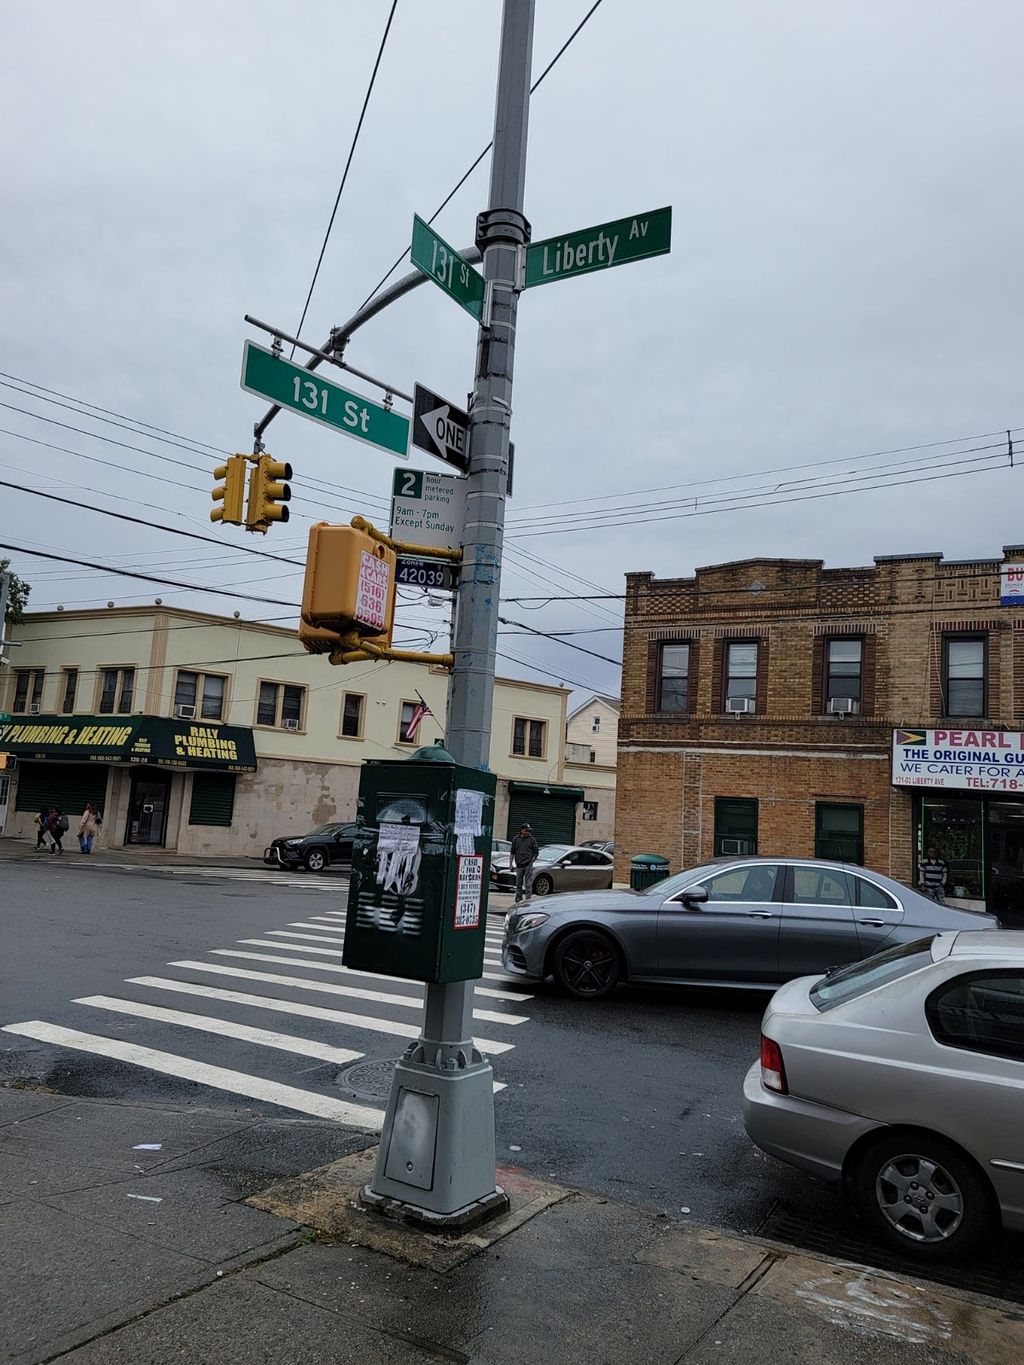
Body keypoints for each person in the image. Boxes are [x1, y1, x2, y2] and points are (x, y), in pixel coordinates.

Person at [510, 823, 539, 905]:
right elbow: (512, 852)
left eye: (528, 831)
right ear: (522, 830)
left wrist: (531, 862)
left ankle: (528, 901)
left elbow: (536, 852)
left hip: (528, 865)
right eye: (526, 831)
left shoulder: (532, 840)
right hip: (519, 865)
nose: (527, 833)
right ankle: (518, 900)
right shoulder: (515, 839)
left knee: (528, 885)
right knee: (518, 884)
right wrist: (510, 864)